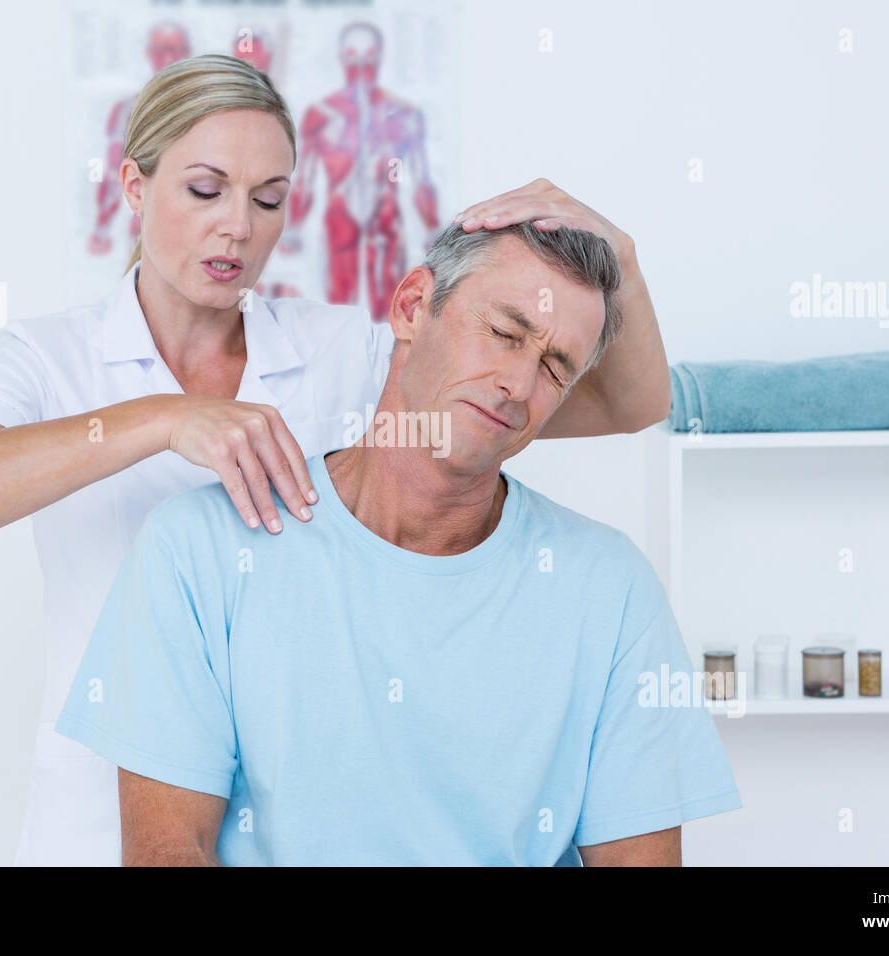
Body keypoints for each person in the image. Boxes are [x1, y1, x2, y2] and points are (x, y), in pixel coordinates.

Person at [0, 53, 672, 866]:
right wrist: (164, 419)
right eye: (205, 189)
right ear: (133, 186)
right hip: (99, 813)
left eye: (269, 200)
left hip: (288, 812)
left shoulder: (335, 350)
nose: (239, 226)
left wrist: (620, 257)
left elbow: (626, 403)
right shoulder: (51, 357)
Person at [55, 219, 741, 866]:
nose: (518, 384)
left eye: (556, 366)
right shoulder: (198, 551)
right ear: (413, 306)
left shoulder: (608, 586)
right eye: (505, 331)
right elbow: (168, 852)